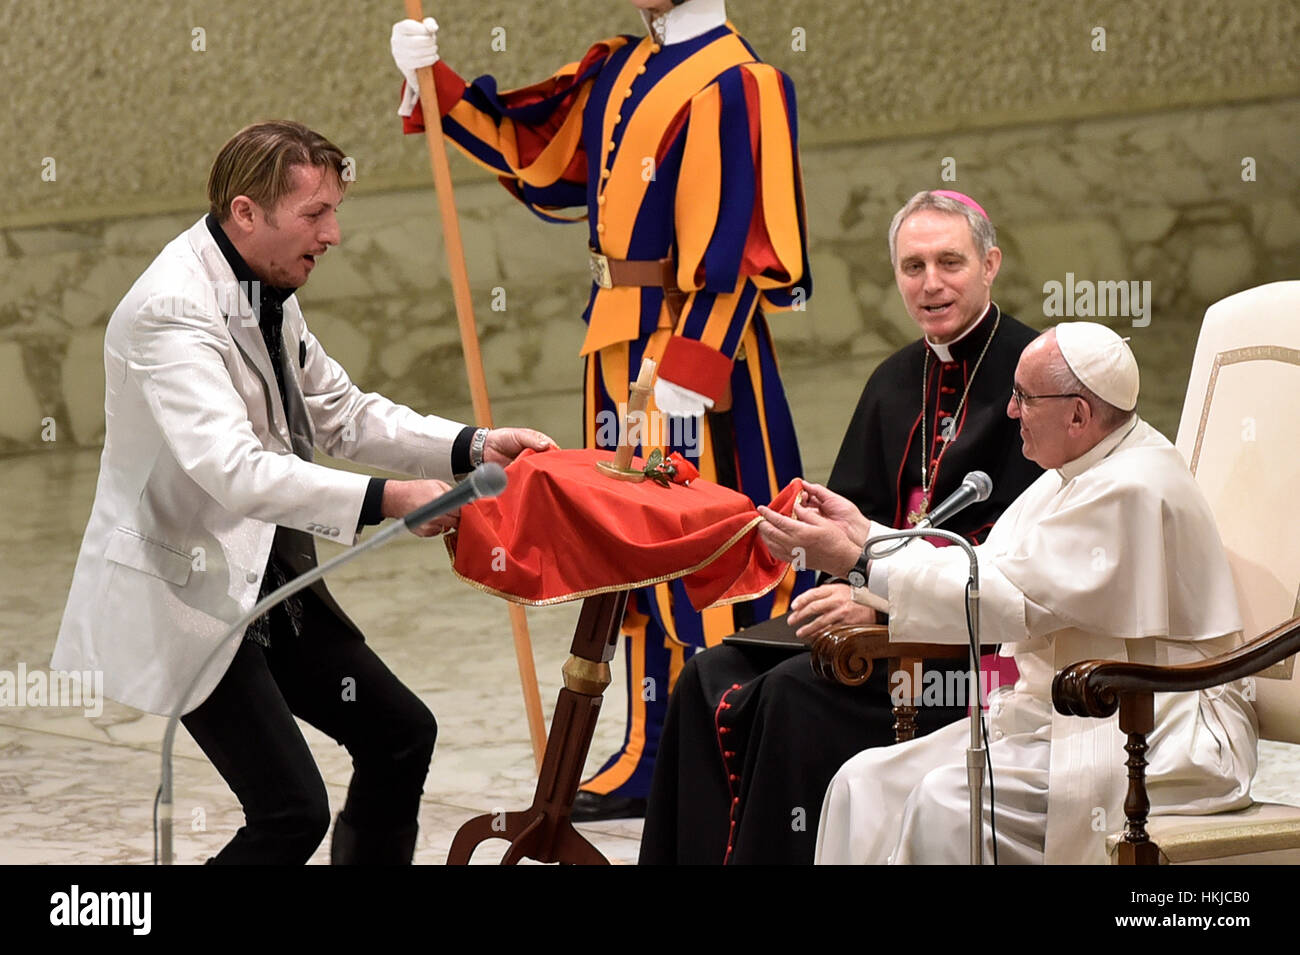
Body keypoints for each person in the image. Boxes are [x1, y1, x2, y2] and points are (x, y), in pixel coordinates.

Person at [51, 121, 555, 864]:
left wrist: (472, 445)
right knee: (290, 809)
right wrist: (388, 497)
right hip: (185, 589)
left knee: (399, 735)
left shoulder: (265, 280)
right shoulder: (172, 310)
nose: (335, 234)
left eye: (334, 211)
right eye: (315, 214)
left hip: (267, 577)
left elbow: (339, 411)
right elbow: (235, 469)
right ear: (247, 211)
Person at [389, 0, 814, 819]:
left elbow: (747, 242)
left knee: (707, 543)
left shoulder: (743, 82)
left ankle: (733, 746)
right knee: (625, 542)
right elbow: (549, 164)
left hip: (694, 351)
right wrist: (434, 84)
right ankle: (649, 751)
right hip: (615, 343)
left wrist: (695, 361)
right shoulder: (624, 64)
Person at [639, 190, 1043, 864]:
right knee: (704, 674)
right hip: (878, 619)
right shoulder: (893, 380)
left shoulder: (1030, 379)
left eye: (950, 262)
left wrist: (876, 590)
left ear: (990, 263)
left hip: (963, 655)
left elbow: (1015, 559)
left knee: (791, 697)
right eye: (913, 267)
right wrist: (805, 537)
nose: (931, 283)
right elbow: (852, 519)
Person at [757, 322, 1258, 865]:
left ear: (1078, 415)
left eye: (1024, 397)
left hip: (1153, 727)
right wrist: (865, 533)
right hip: (1057, 719)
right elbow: (979, 568)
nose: (1011, 411)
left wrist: (854, 563)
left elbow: (1002, 602)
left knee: (947, 804)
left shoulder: (1133, 486)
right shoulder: (1069, 473)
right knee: (863, 783)